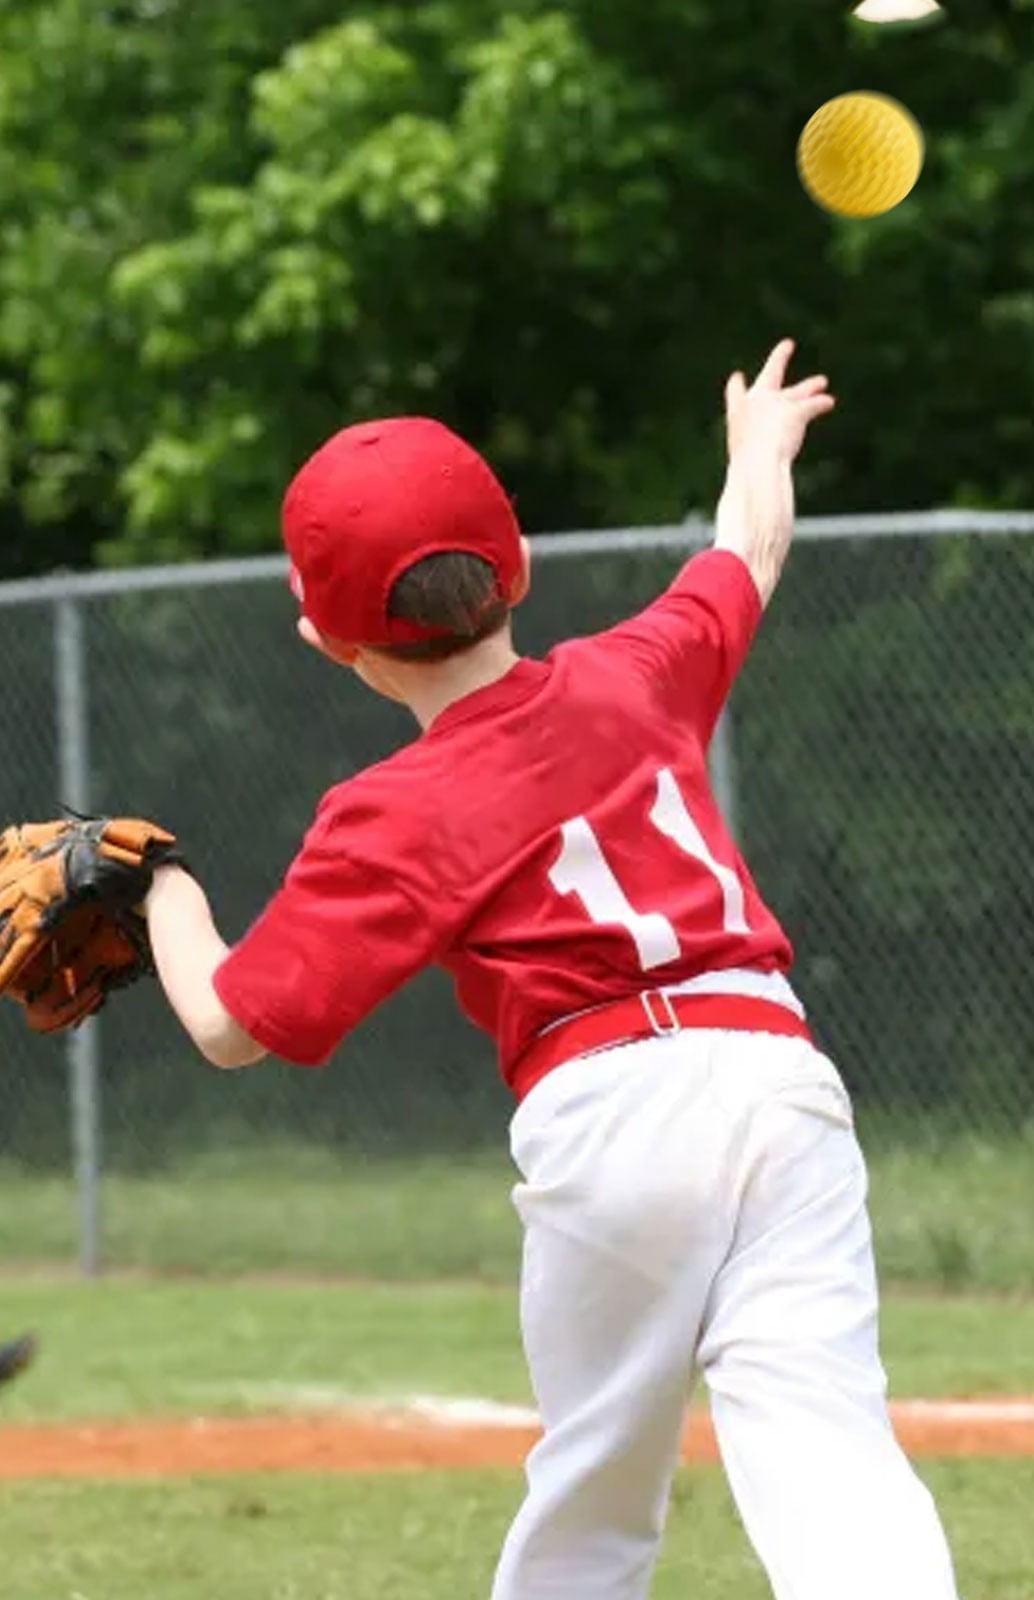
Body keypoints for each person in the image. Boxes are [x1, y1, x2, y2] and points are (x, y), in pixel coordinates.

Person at [138, 340, 961, 1600]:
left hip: (610, 1111)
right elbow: (749, 552)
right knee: (826, 1446)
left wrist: (159, 885)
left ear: (323, 633)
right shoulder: (632, 671)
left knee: (596, 1486)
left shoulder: (392, 808)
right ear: (513, 565)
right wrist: (757, 452)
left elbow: (229, 1020)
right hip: (777, 1073)